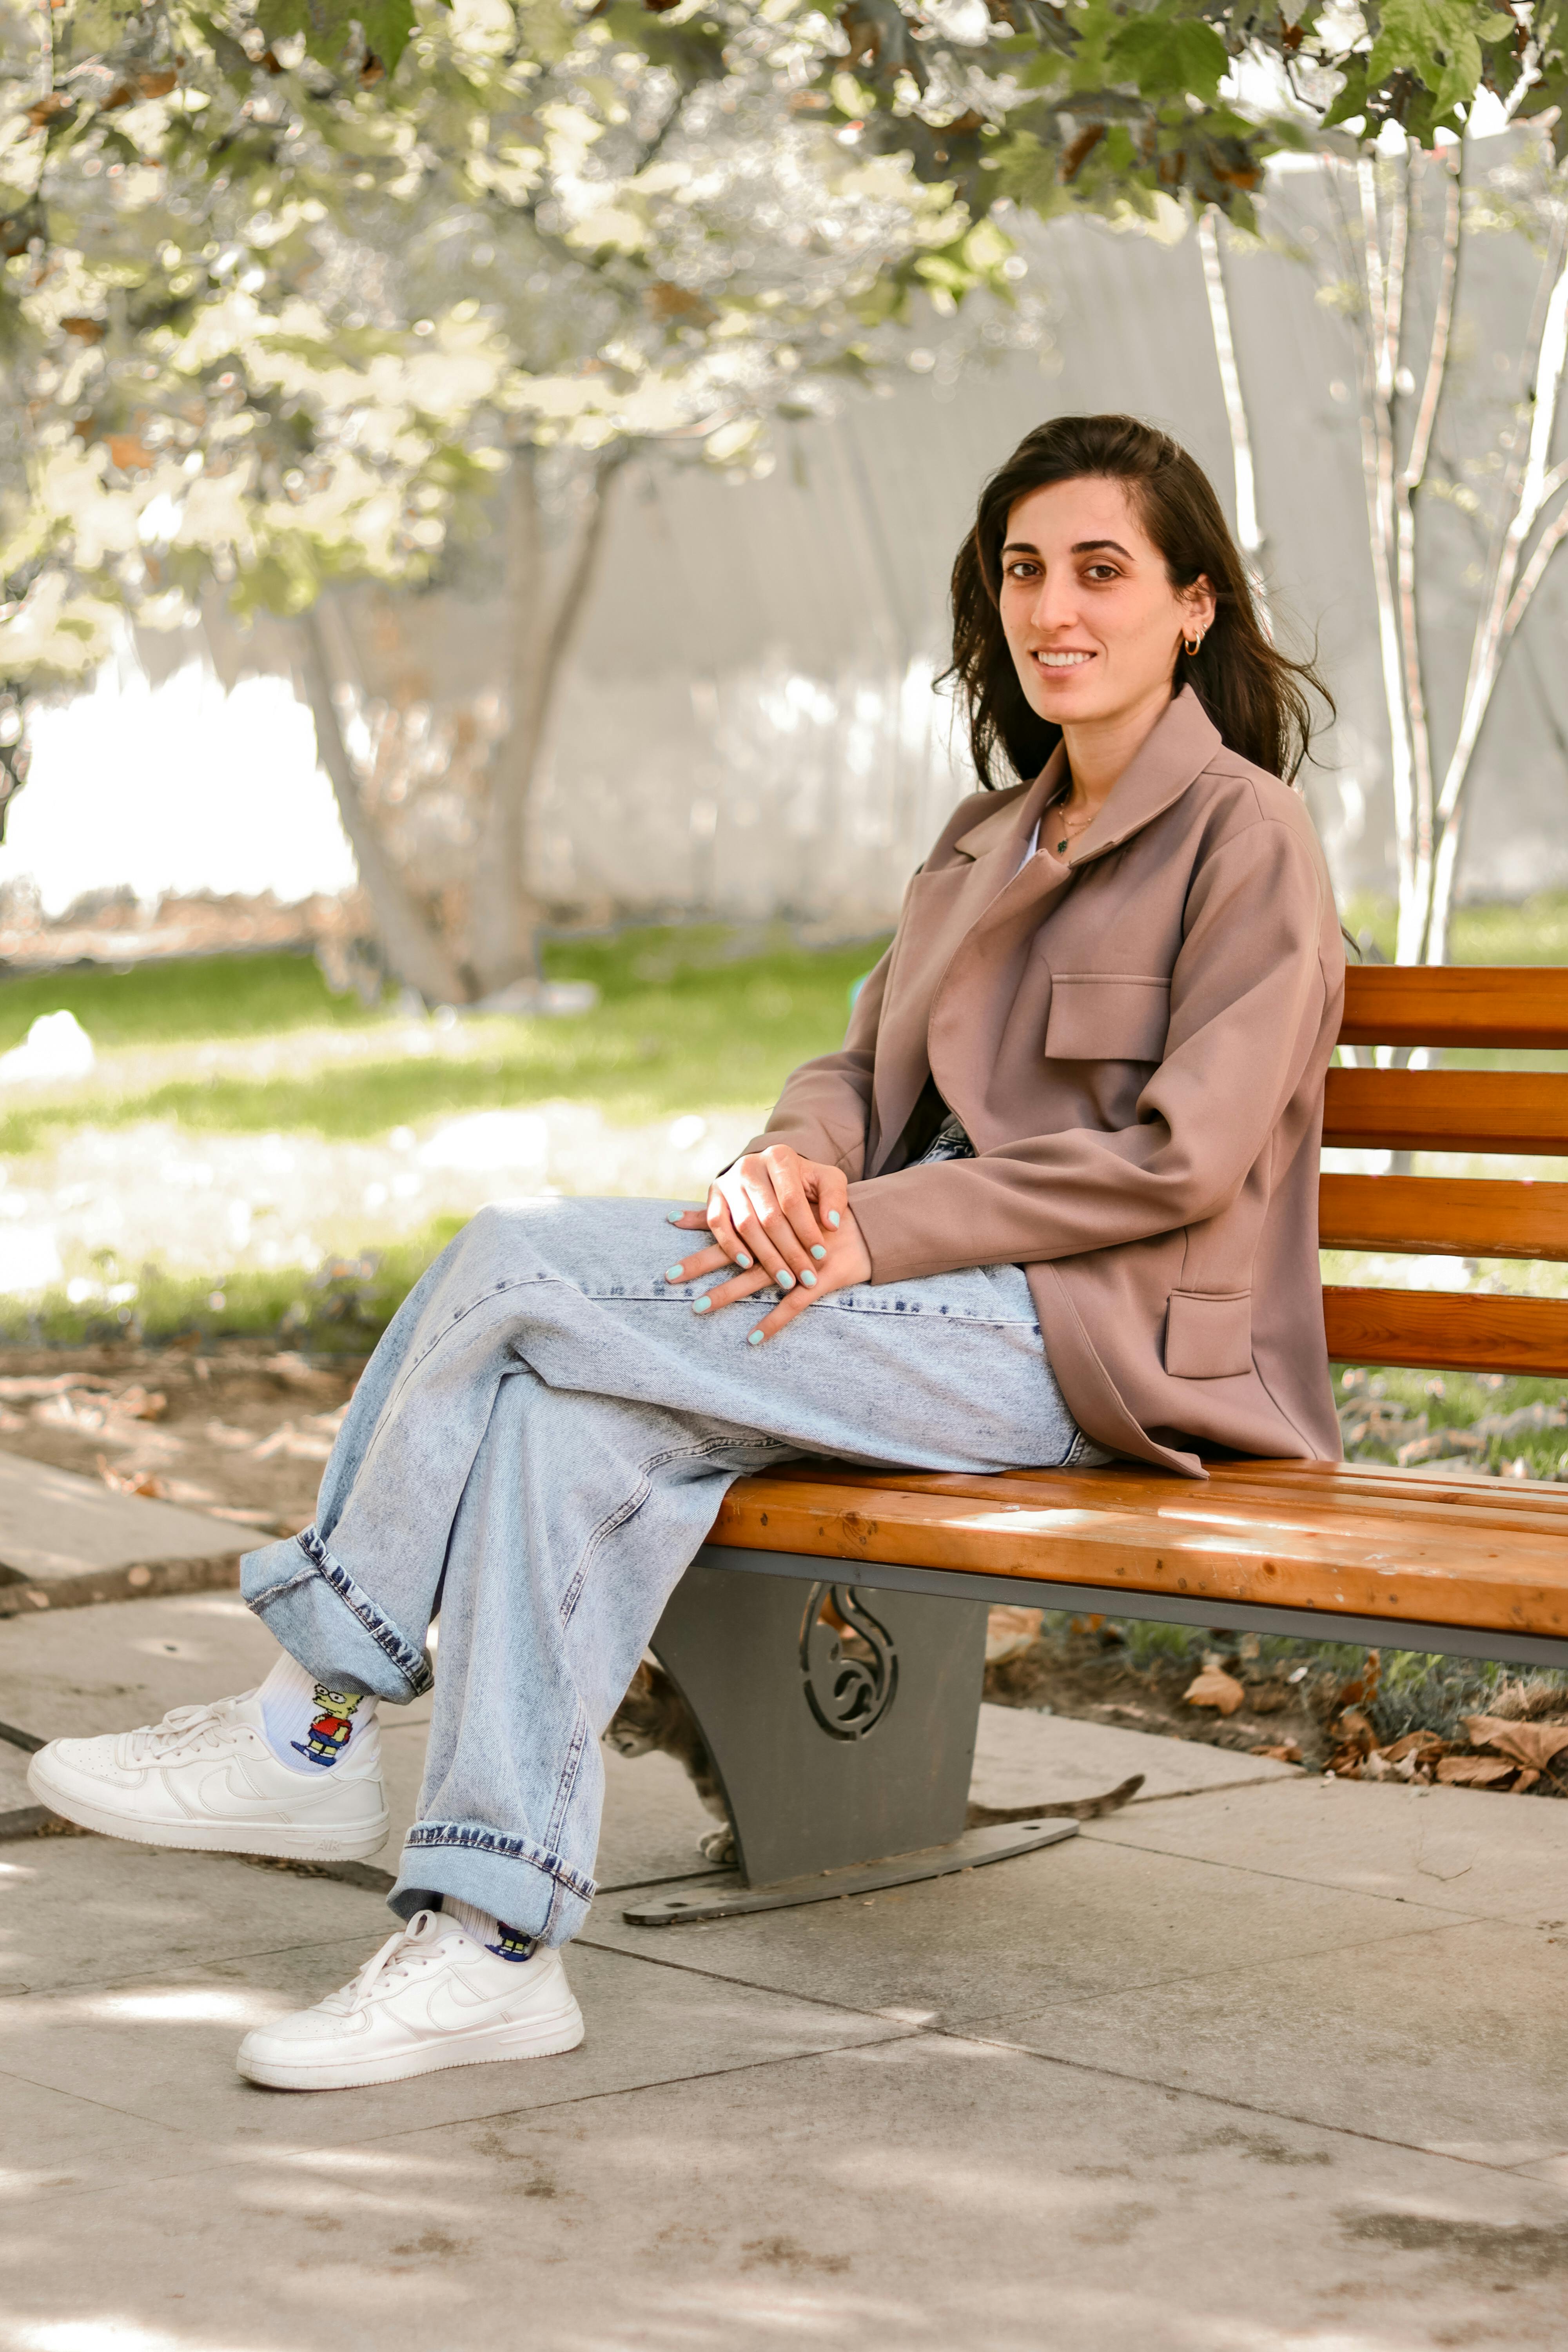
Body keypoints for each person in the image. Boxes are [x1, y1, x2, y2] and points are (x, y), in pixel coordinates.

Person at [29, 412, 1344, 2092]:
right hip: (889, 1294)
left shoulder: (1247, 840)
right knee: (566, 1423)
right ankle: (490, 1942)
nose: (1053, 608)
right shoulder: (979, 837)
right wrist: (791, 1170)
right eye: (1024, 570)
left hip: (1082, 1342)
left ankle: (315, 1710)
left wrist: (865, 1231)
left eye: (1101, 570)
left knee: (518, 1262)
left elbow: (1184, 1154)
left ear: (1193, 608)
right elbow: (858, 1075)